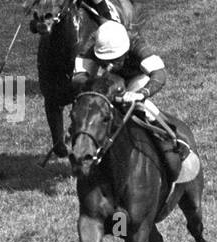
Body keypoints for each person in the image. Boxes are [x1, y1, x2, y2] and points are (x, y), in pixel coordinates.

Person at [71, 20, 191, 180]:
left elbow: (159, 73)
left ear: (126, 51)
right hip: (107, 80)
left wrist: (141, 94)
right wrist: (94, 86)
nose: (111, 65)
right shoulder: (90, 44)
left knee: (142, 108)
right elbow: (78, 77)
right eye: (106, 61)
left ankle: (172, 138)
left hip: (136, 78)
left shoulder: (136, 43)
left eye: (115, 60)